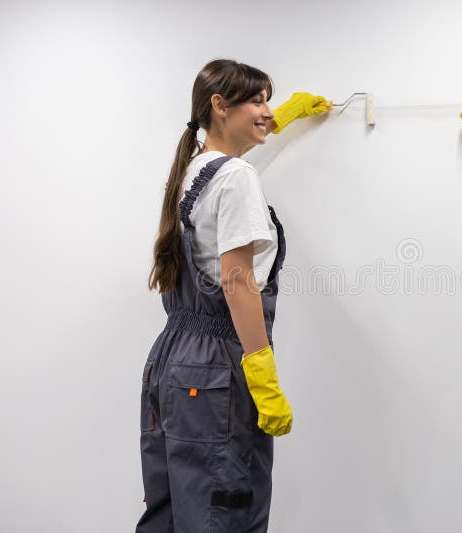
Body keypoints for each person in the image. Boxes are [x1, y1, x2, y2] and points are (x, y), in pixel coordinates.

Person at [137, 58, 330, 533]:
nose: (266, 110)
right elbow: (237, 280)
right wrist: (262, 376)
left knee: (175, 511)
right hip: (220, 363)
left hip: (174, 361)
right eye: (257, 100)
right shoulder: (237, 178)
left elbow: (230, 162)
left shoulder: (193, 168)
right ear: (220, 106)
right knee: (224, 511)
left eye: (269, 100)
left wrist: (278, 117)